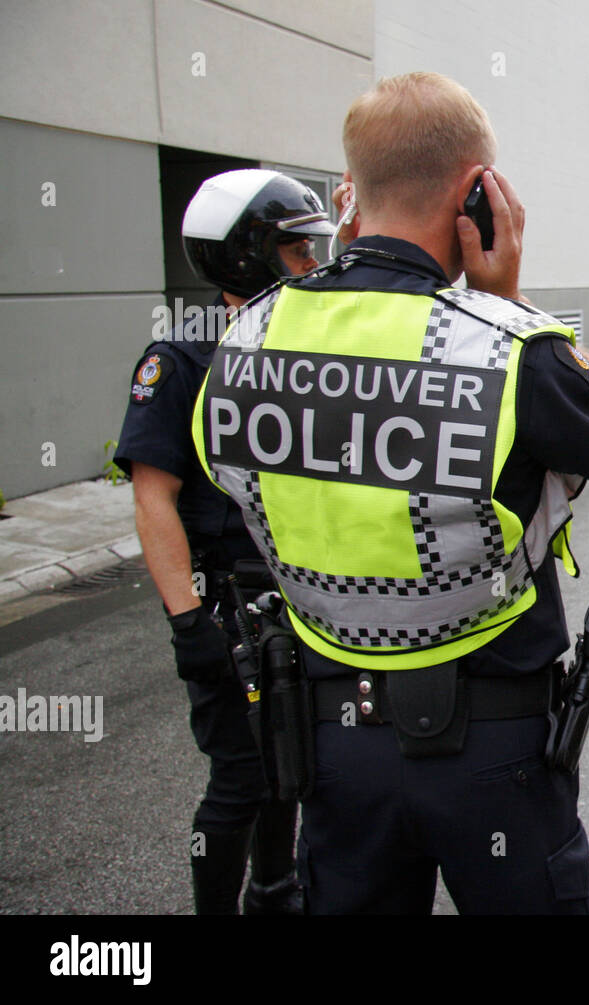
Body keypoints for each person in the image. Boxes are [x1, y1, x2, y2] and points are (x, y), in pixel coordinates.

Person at [192, 71, 589, 914]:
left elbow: (231, 481)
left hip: (333, 749)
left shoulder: (243, 341)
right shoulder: (513, 350)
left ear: (349, 194)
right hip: (496, 754)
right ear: (478, 195)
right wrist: (508, 305)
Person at [114, 169, 333, 913]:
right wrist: (187, 625)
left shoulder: (309, 349)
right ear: (246, 255)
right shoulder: (179, 360)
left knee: (292, 762)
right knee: (240, 778)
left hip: (305, 602)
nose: (311, 264)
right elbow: (154, 498)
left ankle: (277, 892)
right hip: (229, 611)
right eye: (296, 251)